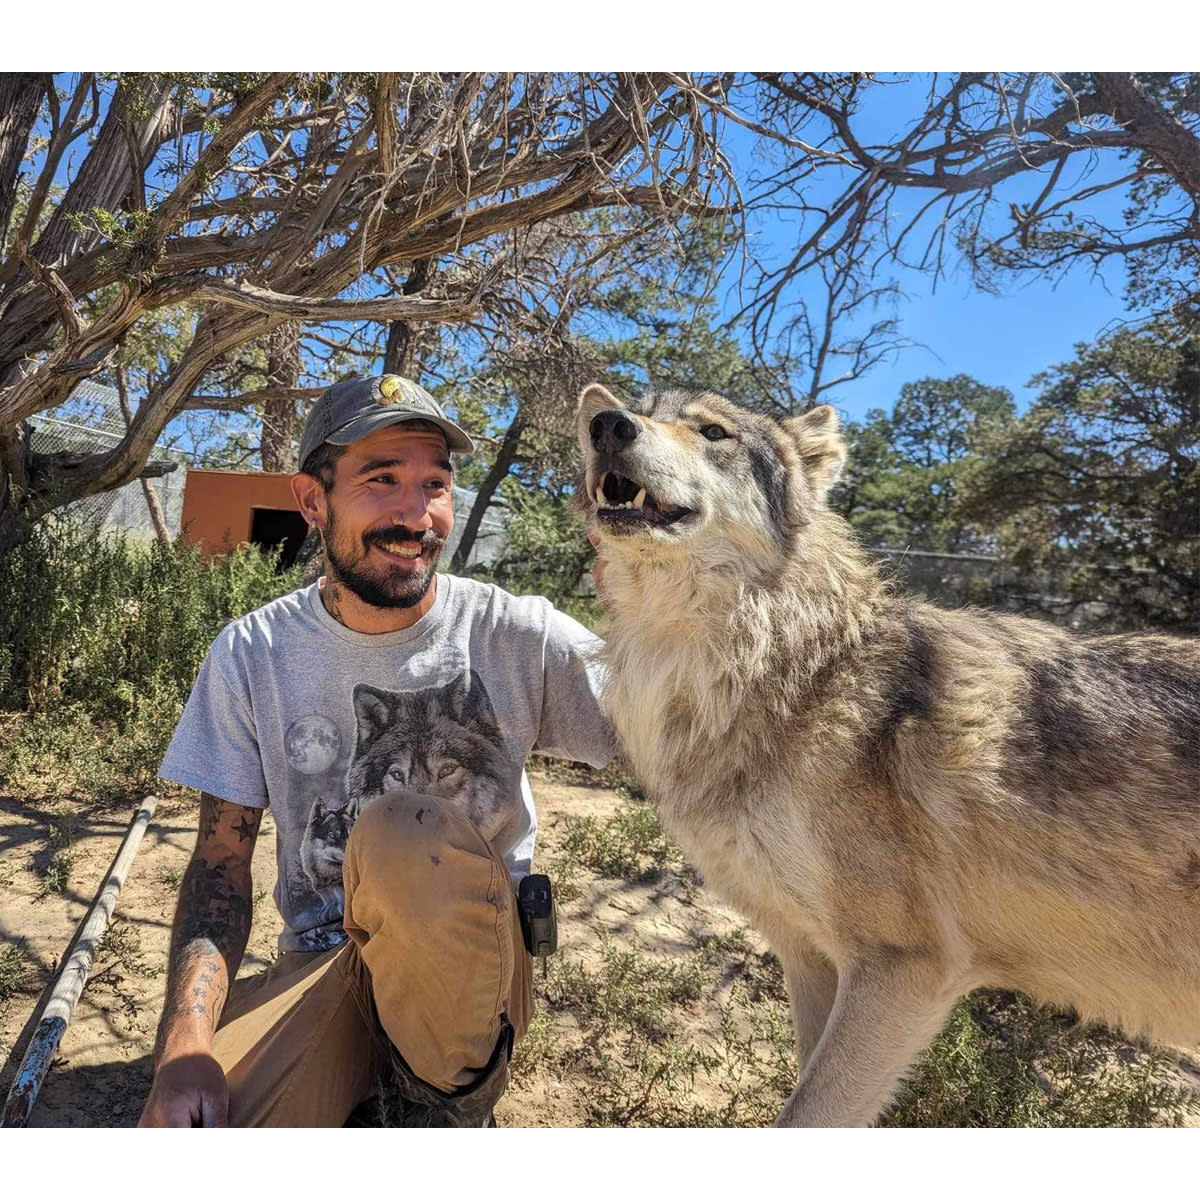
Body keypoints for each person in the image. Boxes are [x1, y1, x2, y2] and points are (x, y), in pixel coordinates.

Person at [139, 374, 615, 1128]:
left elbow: (674, 722)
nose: (414, 513)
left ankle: (443, 1105)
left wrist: (656, 595)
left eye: (434, 484)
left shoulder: (514, 635)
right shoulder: (253, 654)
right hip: (325, 960)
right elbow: (220, 863)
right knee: (209, 1130)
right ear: (311, 500)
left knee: (405, 829)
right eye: (381, 480)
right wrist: (186, 1041)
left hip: (472, 962)